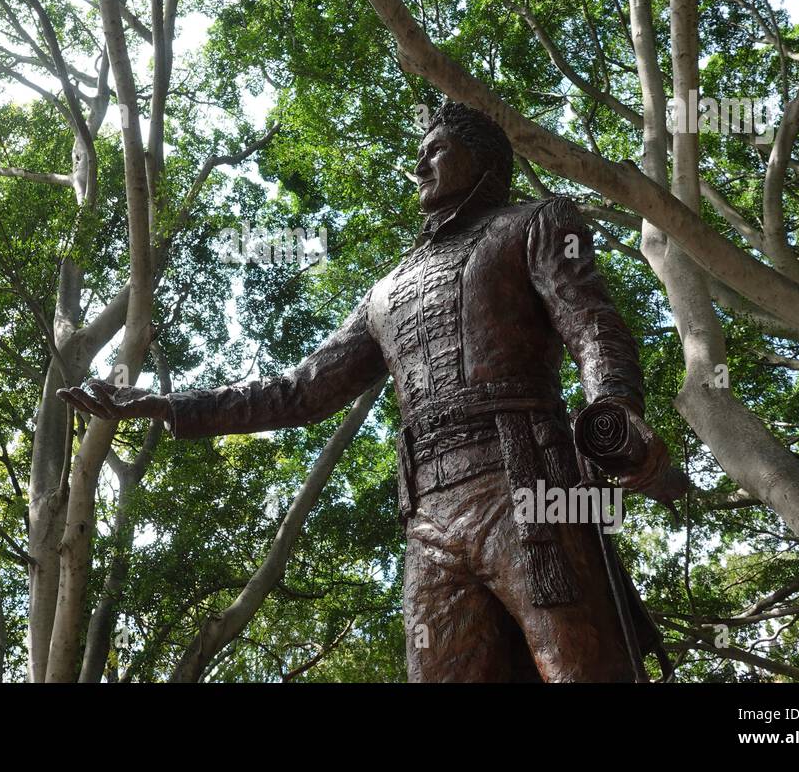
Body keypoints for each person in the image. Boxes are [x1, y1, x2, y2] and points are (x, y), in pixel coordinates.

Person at [61, 100, 669, 681]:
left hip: (526, 482)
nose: (419, 164)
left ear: (481, 160)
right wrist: (169, 405)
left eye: (437, 150)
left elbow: (589, 320)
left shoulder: (535, 222)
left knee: (580, 666)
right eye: (419, 153)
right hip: (427, 517)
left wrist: (612, 405)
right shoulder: (387, 291)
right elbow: (300, 391)